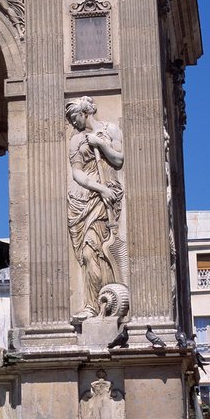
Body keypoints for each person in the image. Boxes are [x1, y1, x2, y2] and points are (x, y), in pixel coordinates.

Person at [65, 96, 125, 319]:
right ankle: (92, 304)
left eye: (75, 117)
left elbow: (118, 160)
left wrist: (100, 144)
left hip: (107, 197)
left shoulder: (111, 130)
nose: (73, 123)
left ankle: (106, 302)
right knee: (88, 254)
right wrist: (99, 188)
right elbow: (77, 172)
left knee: (100, 250)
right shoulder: (75, 140)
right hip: (85, 197)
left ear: (85, 113)